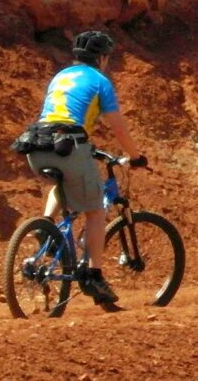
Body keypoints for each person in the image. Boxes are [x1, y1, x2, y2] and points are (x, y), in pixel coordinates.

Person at [22, 29, 147, 308]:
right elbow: (118, 127)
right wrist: (136, 156)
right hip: (69, 146)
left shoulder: (61, 76)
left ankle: (46, 226)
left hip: (37, 145)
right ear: (102, 58)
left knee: (62, 183)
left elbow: (61, 114)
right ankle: (93, 274)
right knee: (96, 211)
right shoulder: (100, 81)